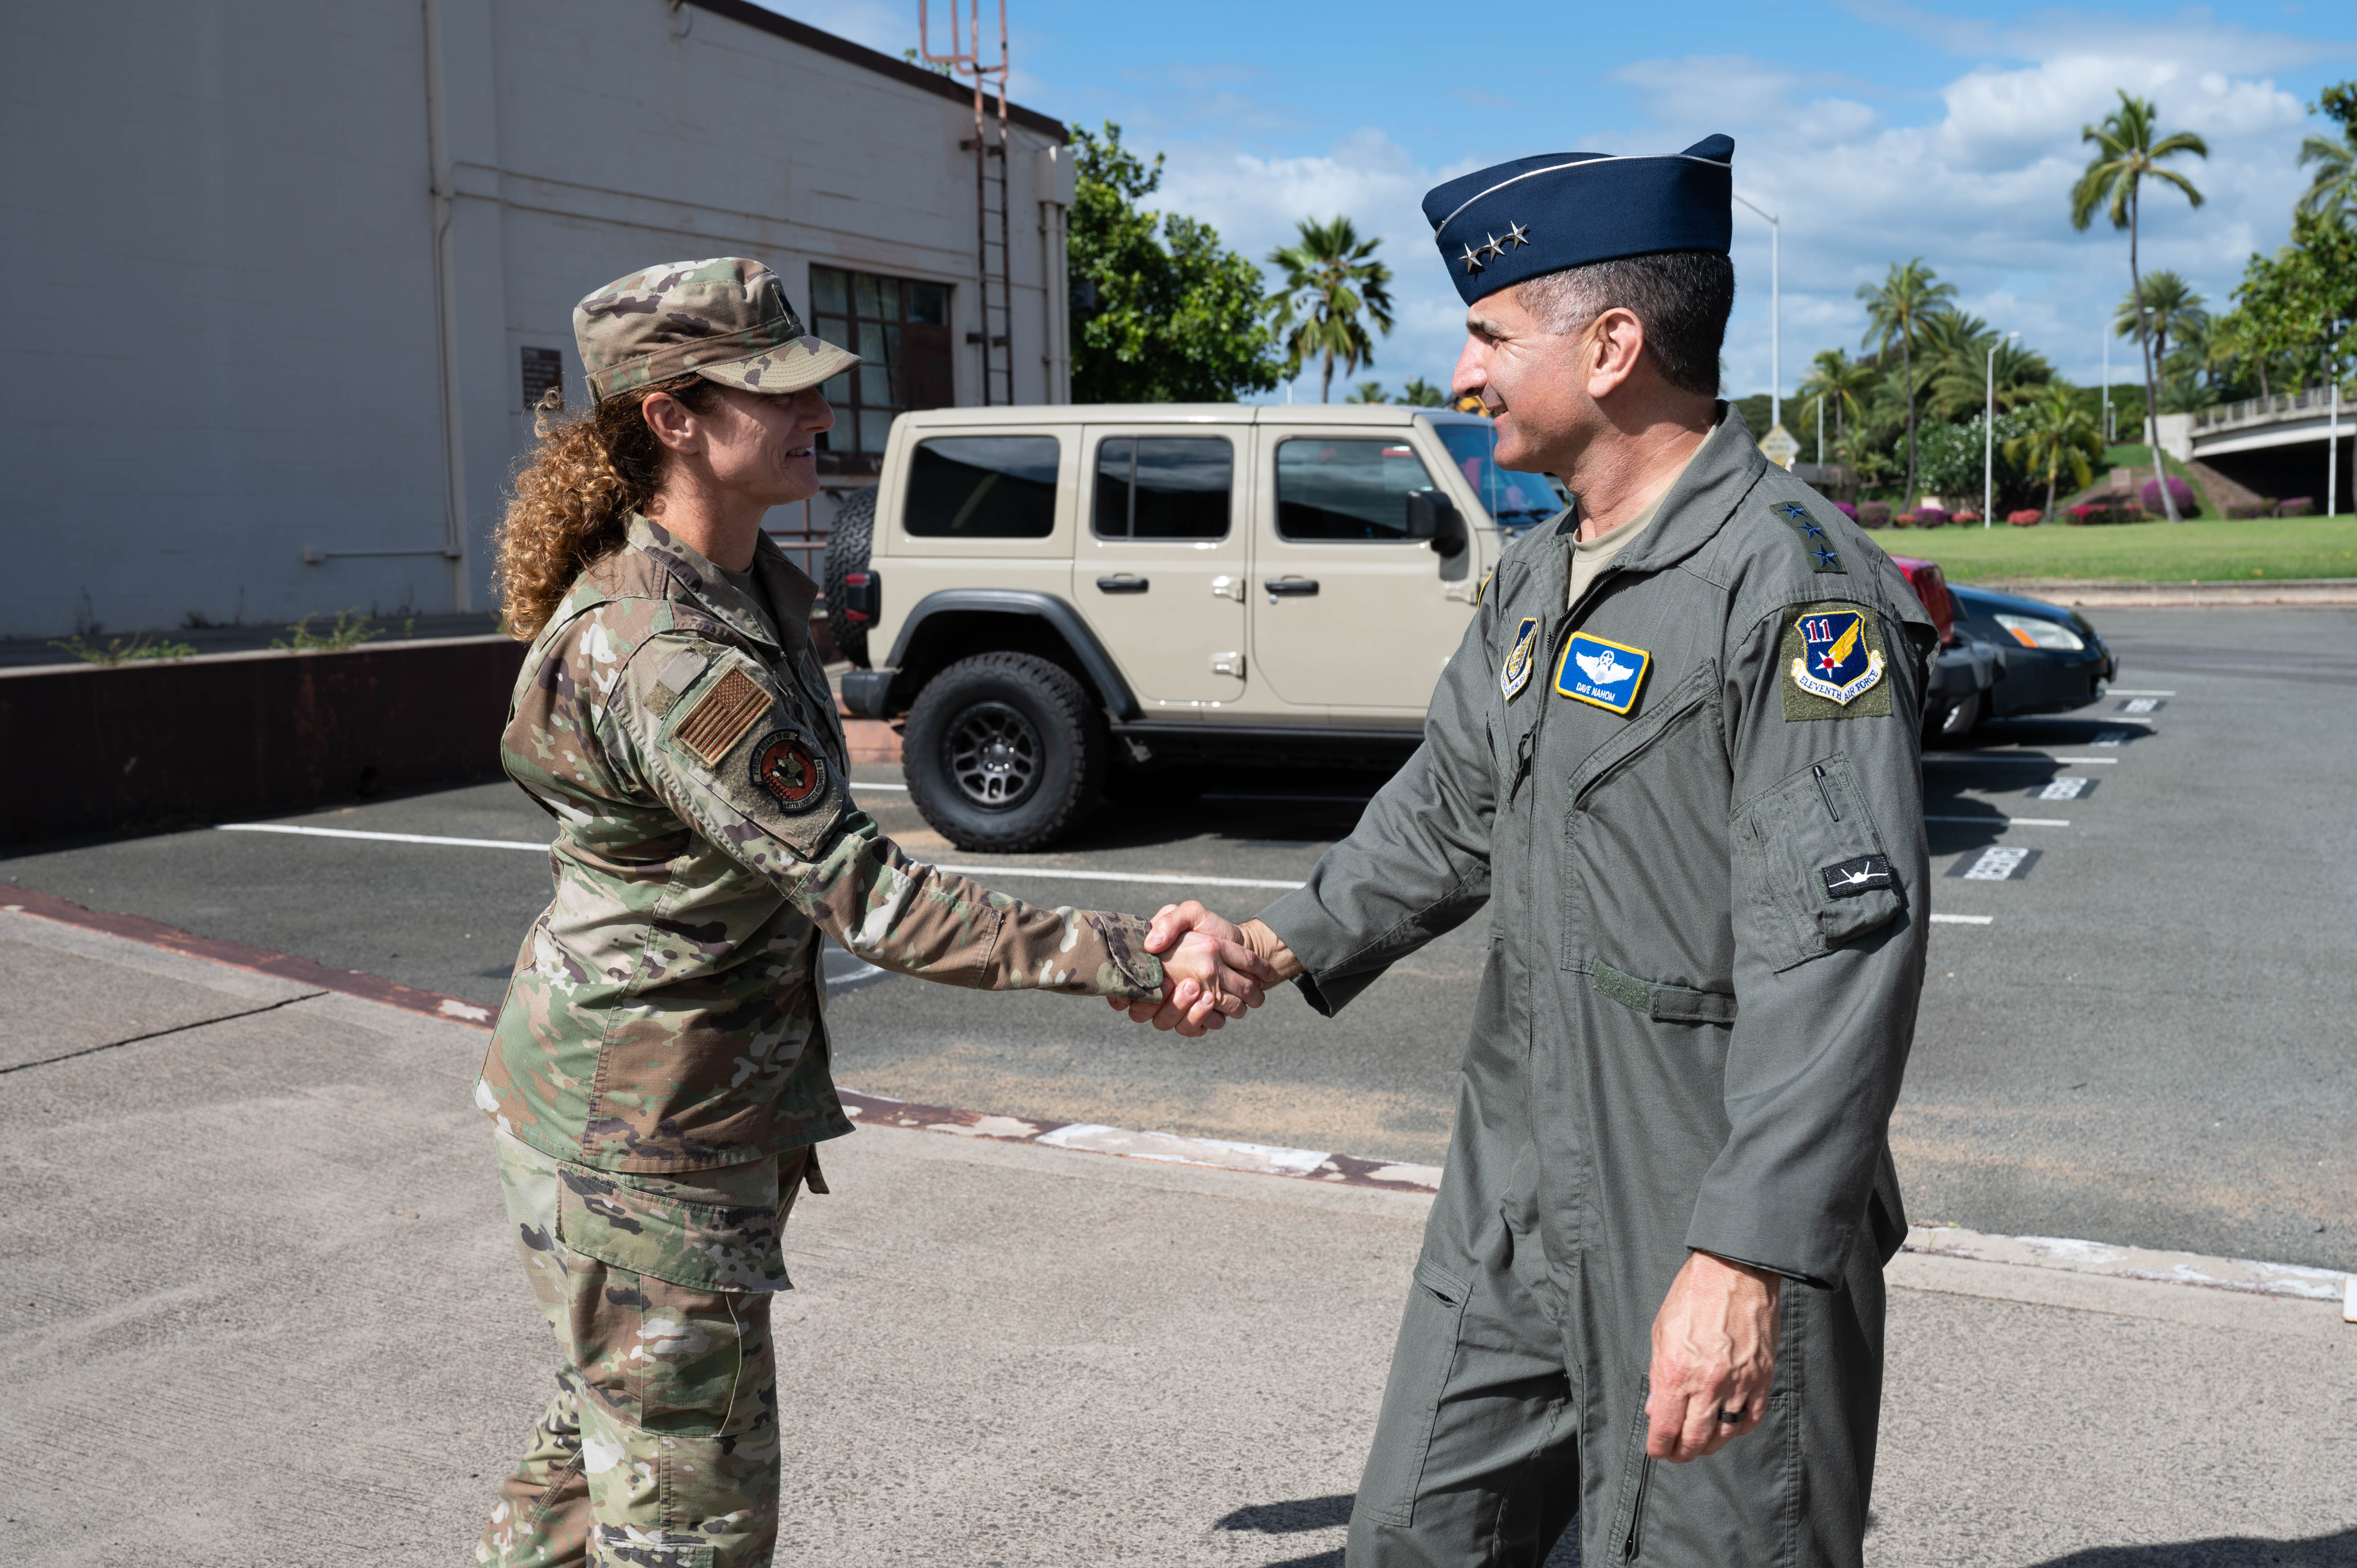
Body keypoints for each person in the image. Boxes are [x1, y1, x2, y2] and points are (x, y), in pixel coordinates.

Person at [1133, 139, 1937, 1567]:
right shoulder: (1538, 572)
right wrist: (1272, 943)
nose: (1462, 370)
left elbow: (1839, 958)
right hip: (1518, 1180)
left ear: (1614, 345)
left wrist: (1747, 1253)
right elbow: (1448, 810)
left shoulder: (1796, 592)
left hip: (1706, 1191)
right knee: (1416, 1534)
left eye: (1493, 333)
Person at [473, 257, 1275, 1568]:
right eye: (774, 391)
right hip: (647, 1137)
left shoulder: (740, 589)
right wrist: (1128, 954)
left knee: (601, 1450)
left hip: (658, 1107)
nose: (815, 414)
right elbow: (873, 896)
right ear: (672, 418)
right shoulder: (670, 654)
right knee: (691, 1519)